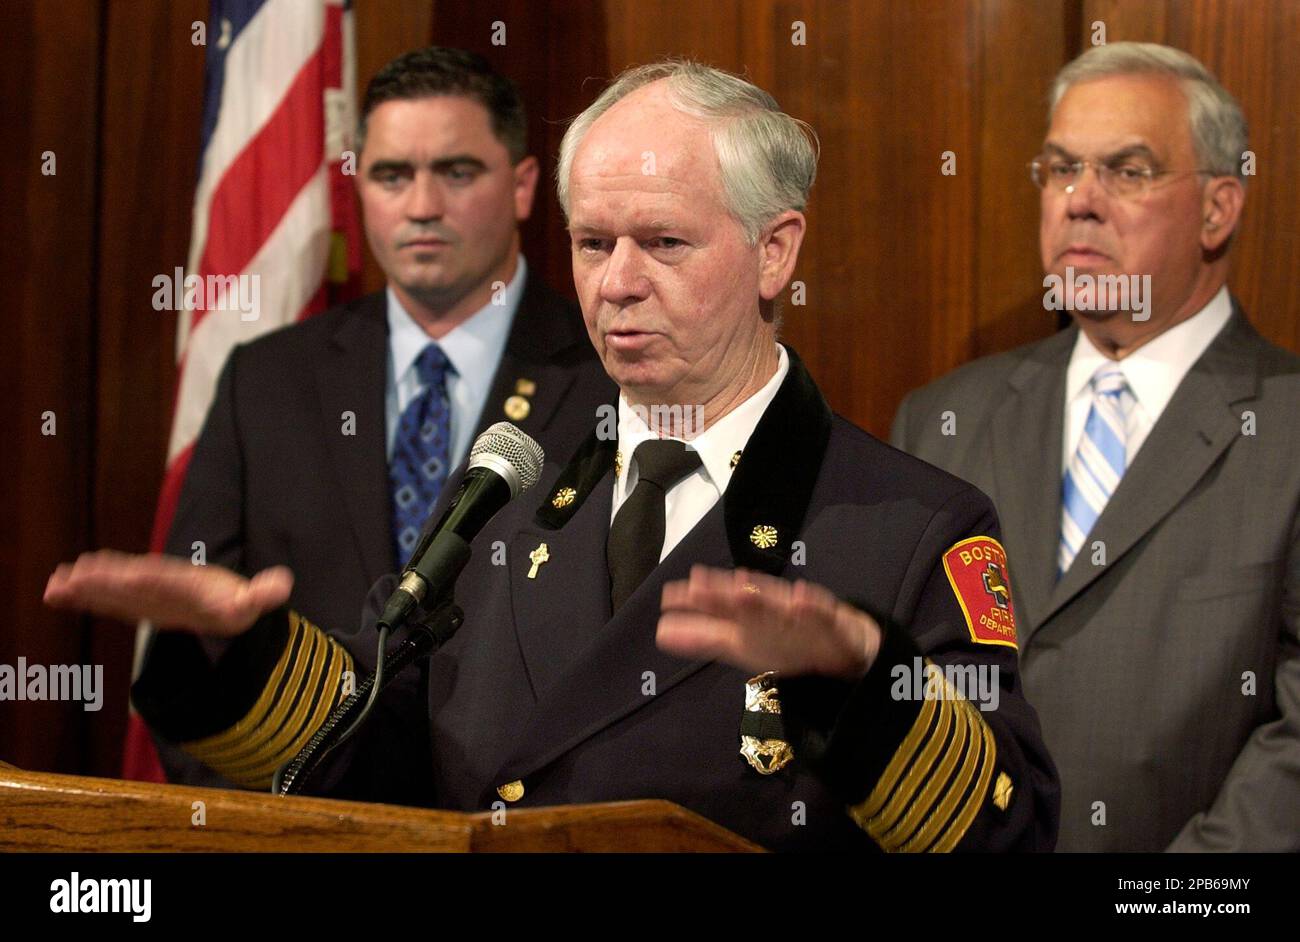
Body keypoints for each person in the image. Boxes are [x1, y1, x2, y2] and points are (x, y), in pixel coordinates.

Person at [49, 61, 1058, 851]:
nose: (616, 283)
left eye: (663, 243)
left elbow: (1006, 834)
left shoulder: (909, 527)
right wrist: (241, 650)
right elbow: (383, 743)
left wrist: (866, 685)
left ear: (775, 251)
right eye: (591, 243)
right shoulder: (511, 485)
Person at [157, 47, 614, 785]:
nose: (422, 205)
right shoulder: (266, 381)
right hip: (303, 806)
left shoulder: (610, 377)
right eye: (392, 175)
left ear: (524, 186)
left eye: (457, 172)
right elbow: (196, 641)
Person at [891, 42, 1300, 851]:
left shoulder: (1284, 428)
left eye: (1127, 170)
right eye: (1060, 169)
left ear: (1217, 209)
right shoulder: (943, 419)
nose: (1080, 200)